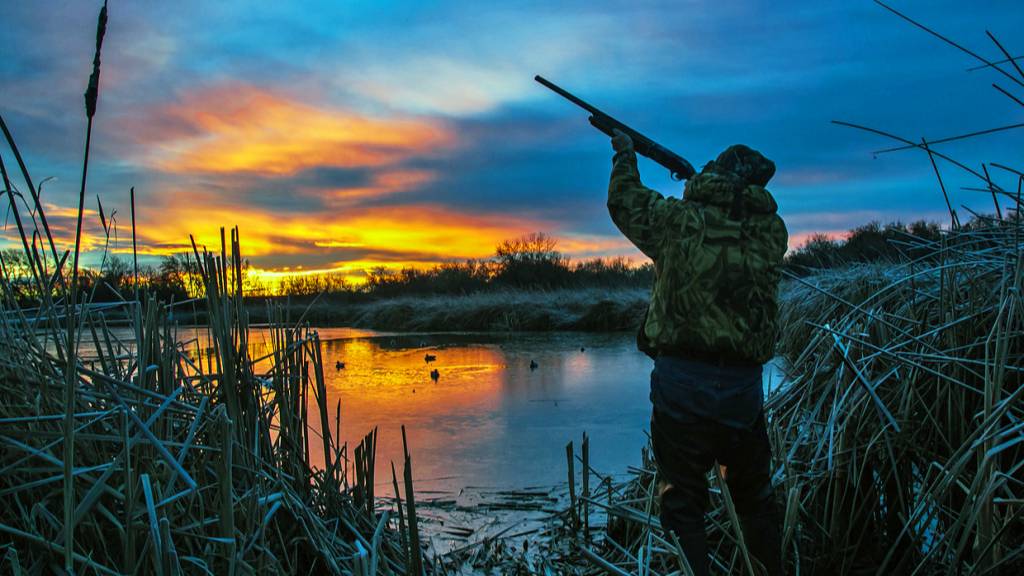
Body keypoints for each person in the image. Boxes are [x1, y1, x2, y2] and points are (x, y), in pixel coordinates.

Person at [606, 129, 788, 576]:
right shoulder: (770, 232)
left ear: (715, 177)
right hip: (743, 389)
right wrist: (700, 184)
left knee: (682, 501)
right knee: (755, 498)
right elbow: (728, 217)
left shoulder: (680, 221)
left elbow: (625, 202)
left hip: (682, 383)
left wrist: (626, 155)